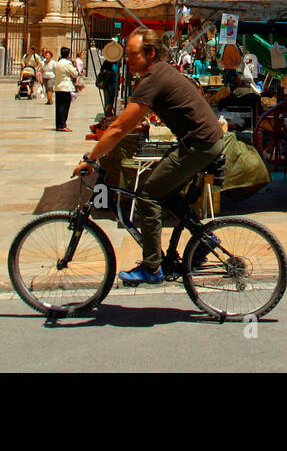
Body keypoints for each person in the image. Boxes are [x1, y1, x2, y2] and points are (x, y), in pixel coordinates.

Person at [73, 27, 226, 284]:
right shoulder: (160, 72)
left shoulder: (153, 78)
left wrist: (91, 158)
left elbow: (121, 127)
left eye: (133, 55)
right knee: (162, 192)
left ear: (150, 53)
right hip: (204, 141)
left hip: (200, 144)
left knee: (148, 194)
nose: (128, 60)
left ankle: (152, 267)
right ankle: (205, 238)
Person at [52, 46, 80, 132]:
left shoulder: (58, 63)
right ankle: (63, 125)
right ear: (68, 54)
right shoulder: (67, 63)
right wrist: (75, 66)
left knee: (58, 107)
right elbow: (75, 74)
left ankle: (58, 125)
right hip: (66, 87)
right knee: (64, 107)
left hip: (58, 87)